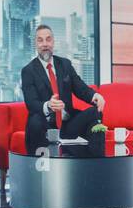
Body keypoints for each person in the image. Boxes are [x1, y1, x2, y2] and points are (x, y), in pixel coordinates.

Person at [21, 24, 106, 155]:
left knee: (96, 113)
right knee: (35, 121)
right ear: (35, 44)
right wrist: (48, 105)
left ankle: (95, 166)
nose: (45, 44)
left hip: (68, 124)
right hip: (46, 125)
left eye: (48, 39)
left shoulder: (65, 64)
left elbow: (80, 87)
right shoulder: (28, 71)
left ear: (53, 42)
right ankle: (40, 170)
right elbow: (31, 103)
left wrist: (94, 95)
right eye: (40, 40)